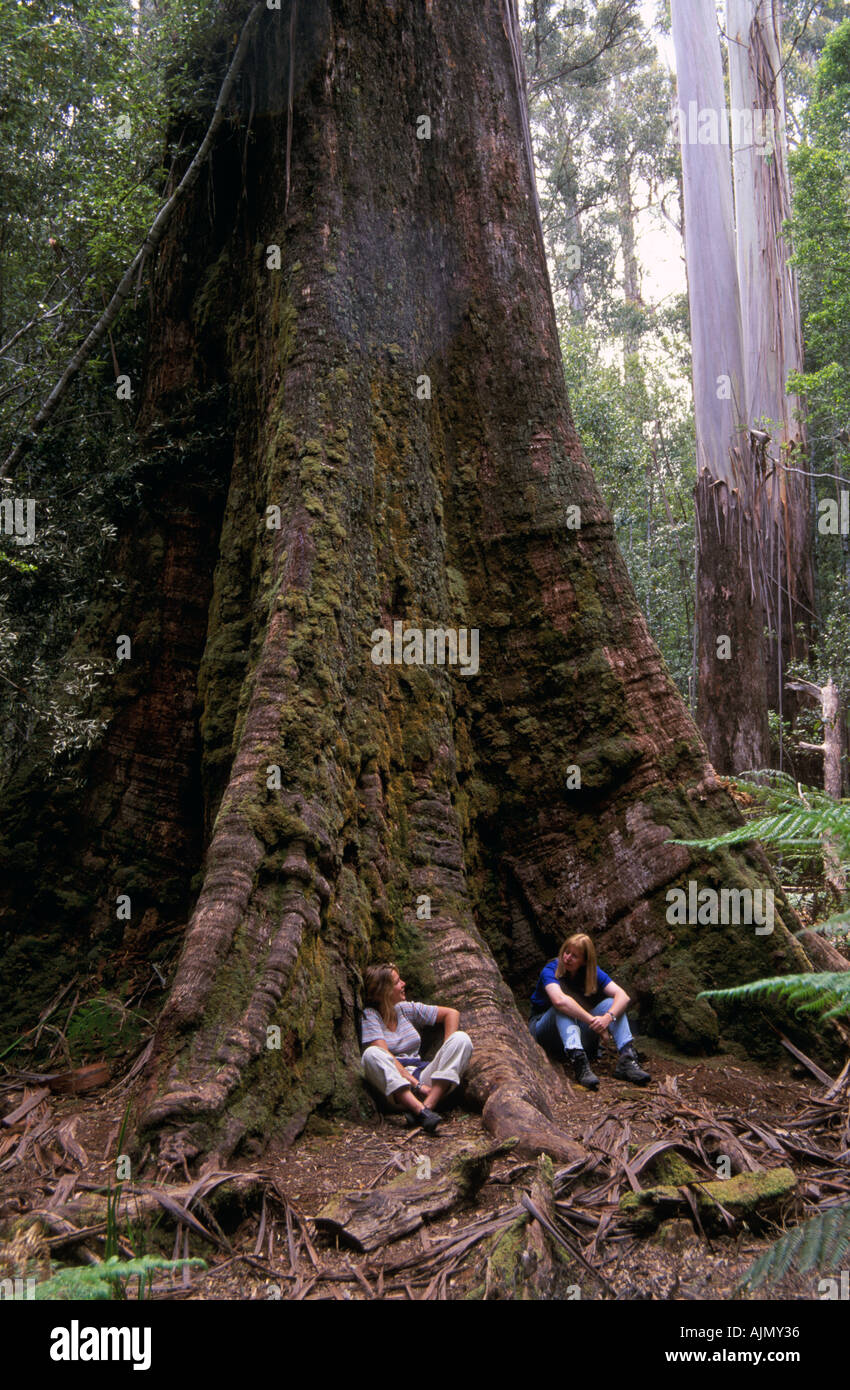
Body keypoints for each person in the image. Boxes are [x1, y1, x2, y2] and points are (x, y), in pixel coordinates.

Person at [359, 963, 473, 1132]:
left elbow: (451, 1013)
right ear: (384, 991)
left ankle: (426, 1109)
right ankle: (420, 1110)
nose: (404, 983)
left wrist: (446, 1051)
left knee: (461, 1039)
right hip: (395, 1088)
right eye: (397, 982)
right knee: (372, 1054)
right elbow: (385, 1054)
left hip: (424, 1079)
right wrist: (416, 1085)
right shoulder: (370, 1016)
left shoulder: (404, 1009)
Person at [528, 933, 650, 1089]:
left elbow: (623, 996)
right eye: (567, 952)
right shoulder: (551, 969)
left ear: (584, 961)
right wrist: (594, 1022)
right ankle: (579, 1062)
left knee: (611, 1004)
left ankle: (627, 1059)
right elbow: (559, 1000)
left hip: (576, 1028)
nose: (567, 958)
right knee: (562, 1007)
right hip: (544, 1031)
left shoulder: (592, 972)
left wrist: (607, 1018)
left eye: (574, 956)